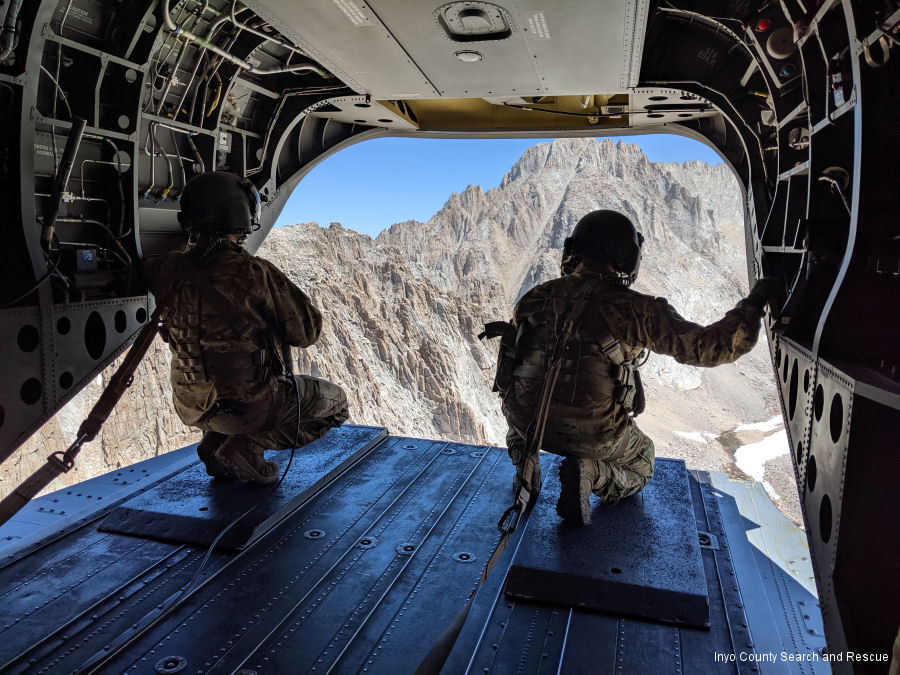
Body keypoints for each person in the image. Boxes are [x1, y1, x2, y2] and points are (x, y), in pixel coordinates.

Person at [496, 209, 781, 524]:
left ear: (573, 249)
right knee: (643, 459)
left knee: (518, 416)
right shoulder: (636, 309)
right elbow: (710, 348)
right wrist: (753, 303)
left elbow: (513, 367)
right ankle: (591, 473)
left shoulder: (534, 298)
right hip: (596, 438)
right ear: (629, 257)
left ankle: (525, 466)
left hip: (528, 427)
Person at [141, 171, 349, 484]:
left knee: (218, 378)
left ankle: (213, 447)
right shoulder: (254, 272)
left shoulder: (163, 268)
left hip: (190, 405)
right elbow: (307, 332)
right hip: (249, 406)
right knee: (337, 403)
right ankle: (248, 446)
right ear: (240, 214)